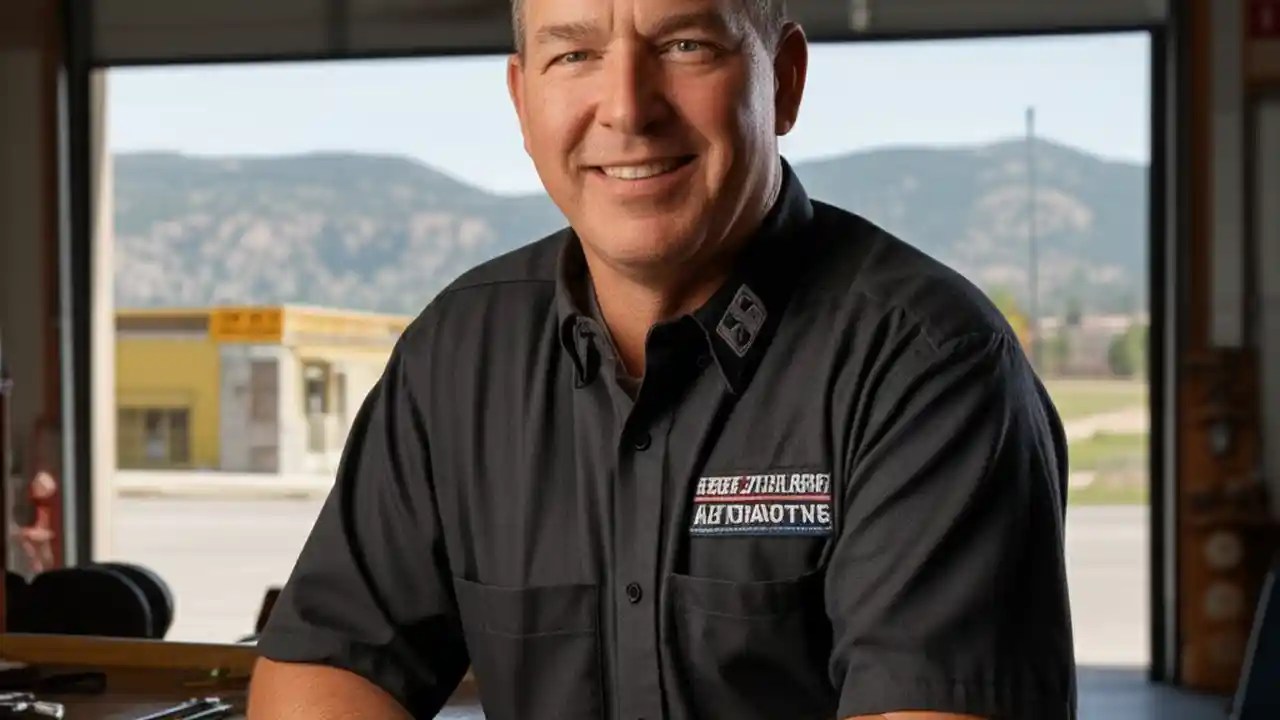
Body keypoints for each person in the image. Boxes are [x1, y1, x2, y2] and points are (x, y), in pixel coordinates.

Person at [247, 0, 1076, 718]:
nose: (628, 110)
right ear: (522, 98)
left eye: (685, 45)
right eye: (575, 55)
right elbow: (326, 667)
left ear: (782, 82)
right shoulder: (459, 353)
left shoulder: (930, 365)